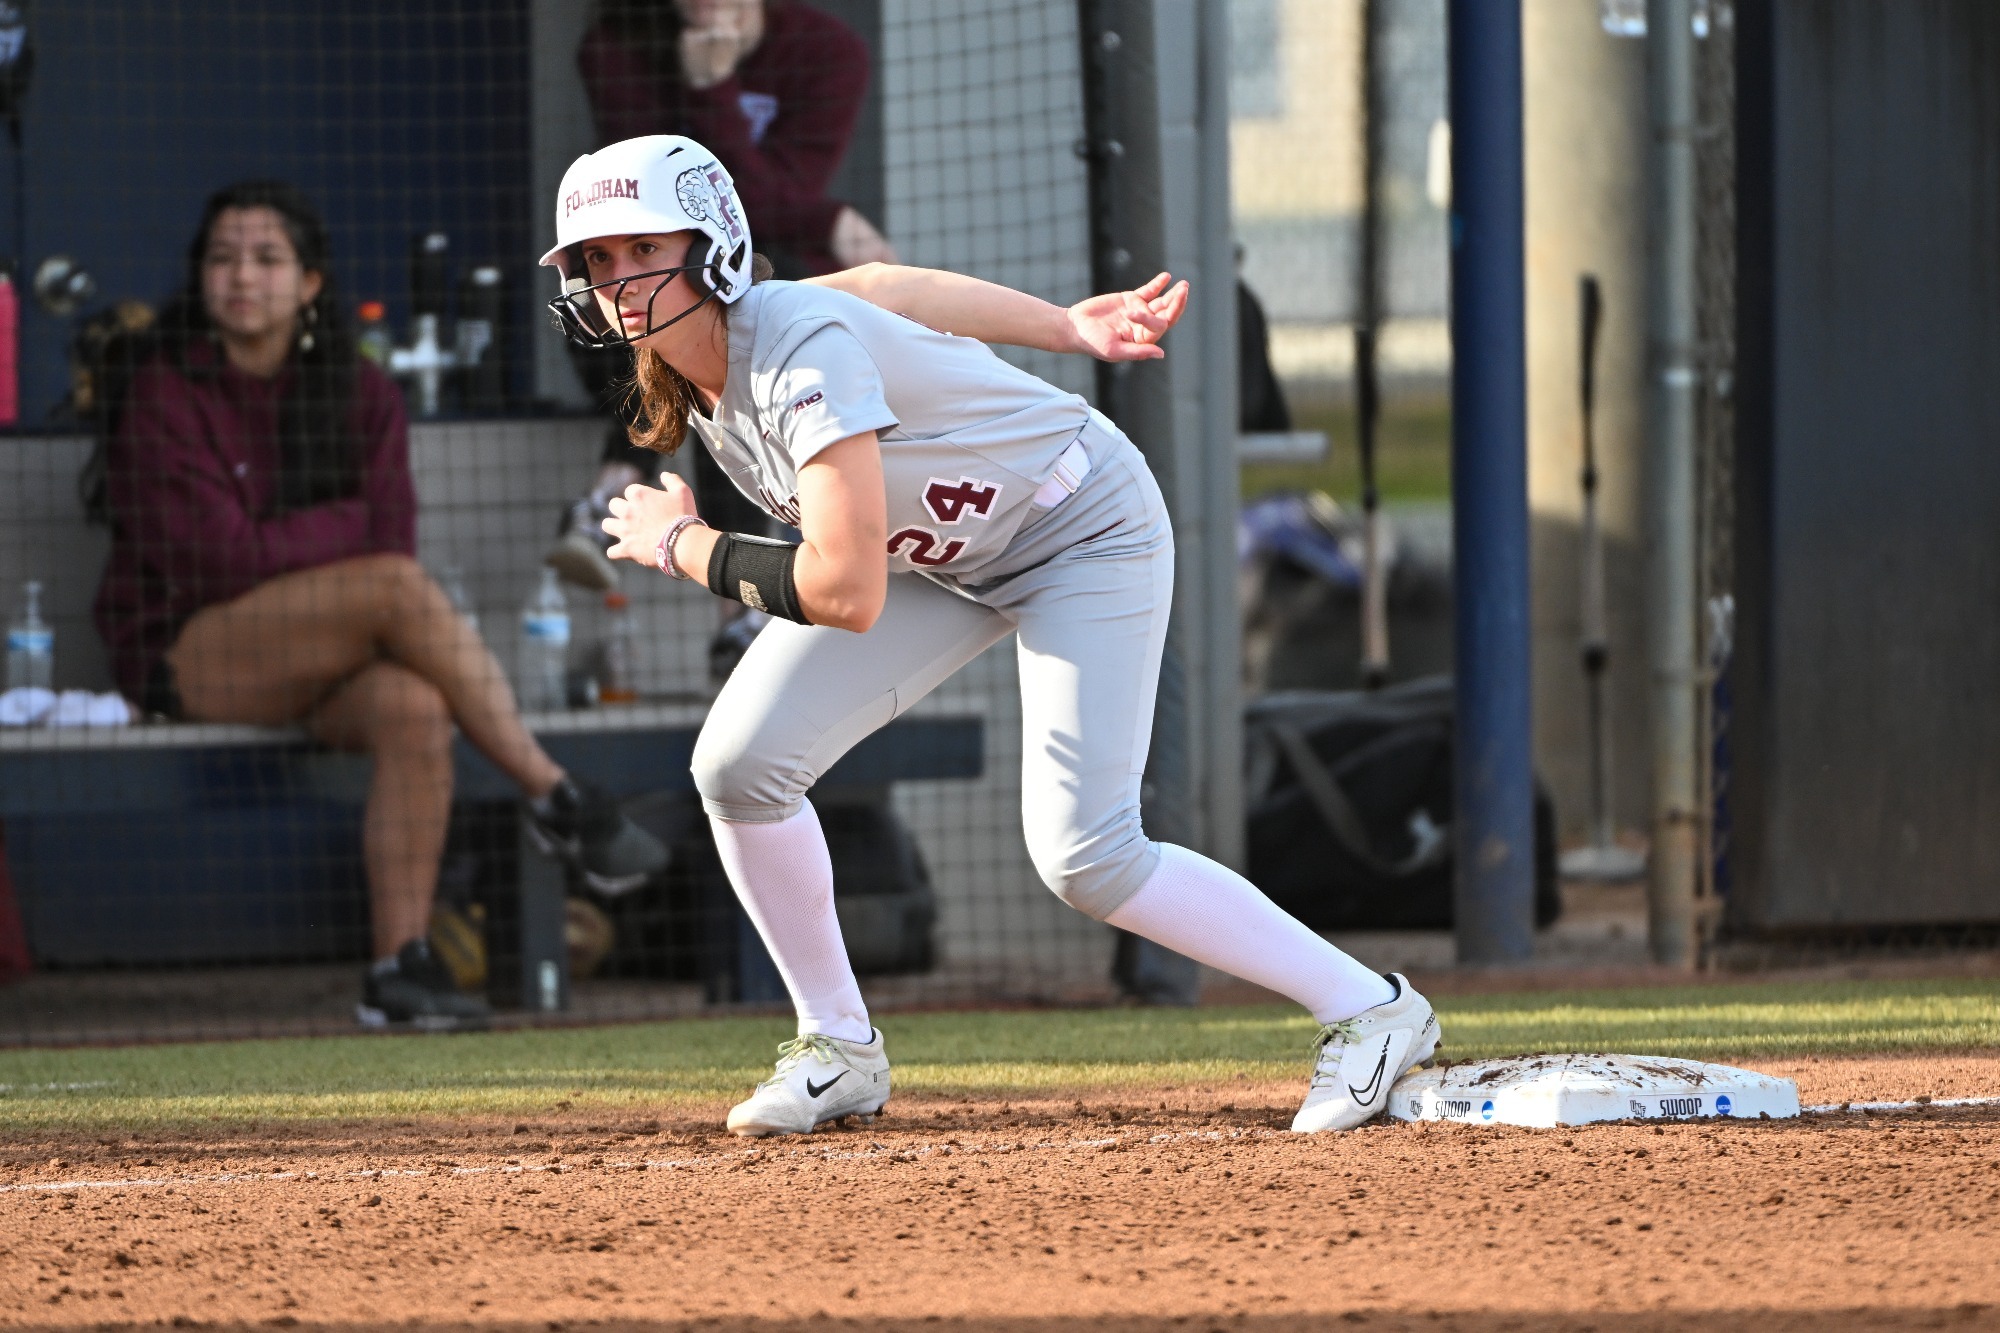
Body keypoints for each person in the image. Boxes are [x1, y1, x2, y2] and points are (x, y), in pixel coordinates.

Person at [544, 135, 1442, 1136]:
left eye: (639, 247)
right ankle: (837, 1046)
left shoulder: (791, 349)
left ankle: (1372, 1007)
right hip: (948, 558)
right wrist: (1067, 326)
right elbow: (890, 286)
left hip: (1080, 526)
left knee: (1085, 856)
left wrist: (685, 547)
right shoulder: (704, 359)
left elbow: (842, 589)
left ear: (709, 243)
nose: (617, 278)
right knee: (741, 765)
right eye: (596, 259)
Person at [91, 180, 667, 1031]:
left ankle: (396, 970)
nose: (241, 276)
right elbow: (221, 563)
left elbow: (383, 539)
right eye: (221, 258)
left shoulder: (360, 393)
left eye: (266, 258)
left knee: (415, 703)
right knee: (391, 589)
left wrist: (316, 540)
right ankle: (551, 791)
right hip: (192, 654)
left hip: (332, 656)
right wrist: (344, 530)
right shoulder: (165, 391)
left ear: (311, 282)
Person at [549, 0, 894, 611]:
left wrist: (712, 84)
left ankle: (611, 492)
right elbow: (638, 215)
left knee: (733, 303)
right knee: (629, 287)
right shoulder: (617, 45)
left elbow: (745, 215)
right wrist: (832, 219)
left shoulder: (827, 51)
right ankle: (740, 604)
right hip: (656, 296)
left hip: (759, 286)